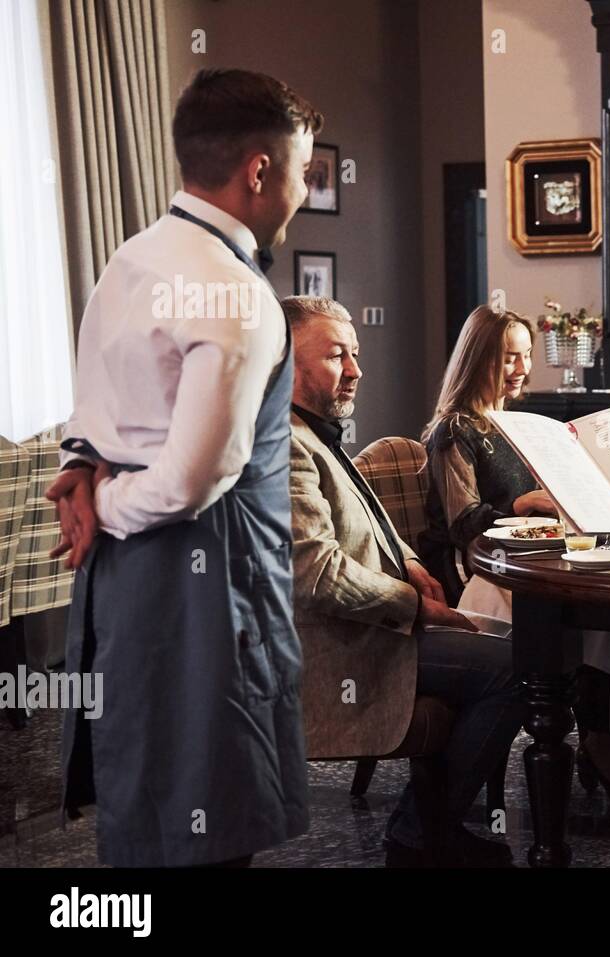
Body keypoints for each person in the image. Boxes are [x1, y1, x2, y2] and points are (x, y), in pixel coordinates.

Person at [46, 68, 320, 866]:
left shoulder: (127, 261)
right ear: (258, 171)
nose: (302, 191)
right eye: (302, 171)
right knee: (209, 819)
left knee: (142, 812)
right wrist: (102, 497)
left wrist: (83, 468)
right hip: (206, 587)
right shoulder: (235, 297)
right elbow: (195, 481)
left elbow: (95, 410)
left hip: (120, 581)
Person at [283, 296, 523, 867]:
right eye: (337, 356)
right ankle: (421, 833)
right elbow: (315, 574)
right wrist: (414, 604)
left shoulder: (313, 431)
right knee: (520, 668)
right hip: (339, 646)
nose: (356, 371)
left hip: (375, 625)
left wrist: (411, 562)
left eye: (356, 355)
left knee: (517, 653)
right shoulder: (283, 444)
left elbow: (369, 522)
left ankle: (426, 829)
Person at [418, 305, 610, 799]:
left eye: (525, 356)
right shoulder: (455, 430)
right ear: (478, 359)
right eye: (508, 358)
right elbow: (463, 526)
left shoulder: (522, 425)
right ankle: (600, 740)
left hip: (534, 559)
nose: (522, 368)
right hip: (479, 570)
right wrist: (520, 502)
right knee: (595, 615)